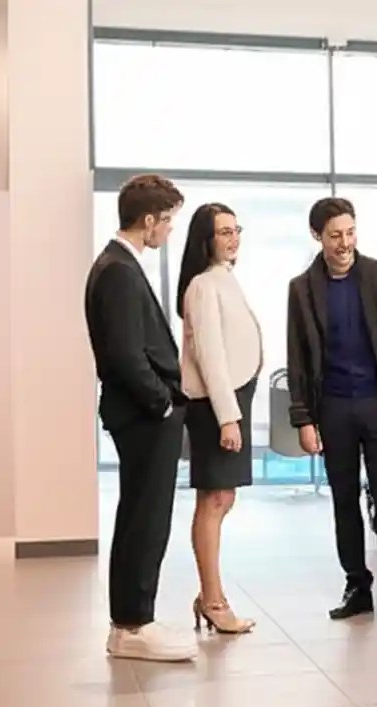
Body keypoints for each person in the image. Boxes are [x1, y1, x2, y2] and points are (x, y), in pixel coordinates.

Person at [286, 197, 377, 625]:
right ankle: (357, 587)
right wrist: (303, 418)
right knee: (344, 501)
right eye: (334, 235)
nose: (344, 243)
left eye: (350, 232)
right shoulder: (302, 289)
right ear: (317, 237)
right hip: (333, 409)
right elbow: (298, 357)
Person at [84, 174, 196, 661]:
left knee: (140, 515)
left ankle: (131, 620)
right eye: (168, 220)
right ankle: (132, 625)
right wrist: (163, 402)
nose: (170, 229)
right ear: (149, 220)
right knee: (145, 519)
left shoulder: (118, 265)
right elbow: (127, 356)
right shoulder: (118, 270)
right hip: (144, 416)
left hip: (142, 414)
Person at [175, 203, 263, 634]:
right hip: (215, 405)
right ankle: (213, 599)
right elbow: (209, 355)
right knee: (214, 501)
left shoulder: (222, 279)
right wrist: (228, 417)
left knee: (222, 499)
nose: (232, 238)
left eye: (235, 230)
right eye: (223, 232)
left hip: (229, 401)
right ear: (205, 239)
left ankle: (207, 594)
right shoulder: (203, 285)